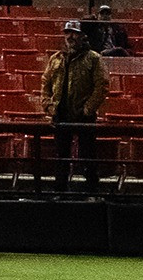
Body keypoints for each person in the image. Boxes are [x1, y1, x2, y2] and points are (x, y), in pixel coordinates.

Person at [43, 19, 109, 192]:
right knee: (61, 155)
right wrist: (48, 106)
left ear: (82, 36)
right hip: (60, 113)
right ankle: (60, 190)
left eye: (74, 33)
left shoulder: (93, 58)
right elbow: (46, 84)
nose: (70, 36)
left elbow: (102, 85)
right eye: (67, 32)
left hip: (83, 115)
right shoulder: (55, 58)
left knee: (88, 154)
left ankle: (92, 190)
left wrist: (88, 109)